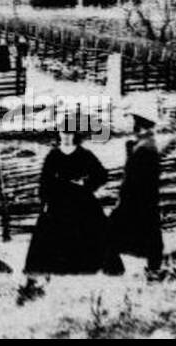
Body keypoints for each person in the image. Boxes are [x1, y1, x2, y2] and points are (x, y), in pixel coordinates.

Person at [24, 125, 122, 276]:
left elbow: (101, 174)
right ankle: (60, 267)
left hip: (82, 200)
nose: (66, 136)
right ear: (59, 134)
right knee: (54, 234)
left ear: (75, 135)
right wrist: (45, 200)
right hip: (59, 201)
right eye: (63, 133)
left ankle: (89, 266)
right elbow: (45, 180)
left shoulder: (84, 154)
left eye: (69, 133)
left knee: (92, 231)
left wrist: (86, 184)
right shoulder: (53, 155)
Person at [109, 111, 163, 274]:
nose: (133, 127)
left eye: (136, 123)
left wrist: (124, 198)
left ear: (141, 126)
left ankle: (118, 269)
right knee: (150, 234)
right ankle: (153, 268)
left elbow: (135, 177)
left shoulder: (146, 148)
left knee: (112, 232)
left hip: (137, 199)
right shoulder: (144, 145)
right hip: (143, 199)